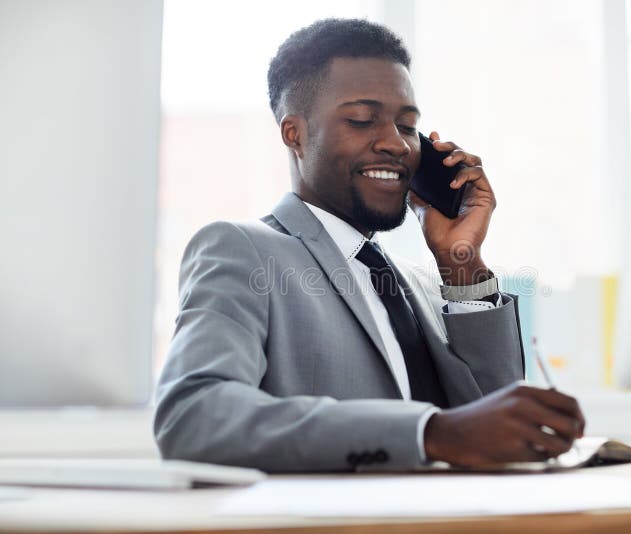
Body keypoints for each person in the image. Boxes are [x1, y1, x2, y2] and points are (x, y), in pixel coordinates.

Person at [154, 18, 585, 472]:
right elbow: (192, 416)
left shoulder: (419, 282)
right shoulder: (242, 249)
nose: (397, 144)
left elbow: (493, 427)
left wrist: (462, 261)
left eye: (407, 124)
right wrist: (428, 432)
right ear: (294, 134)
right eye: (362, 120)